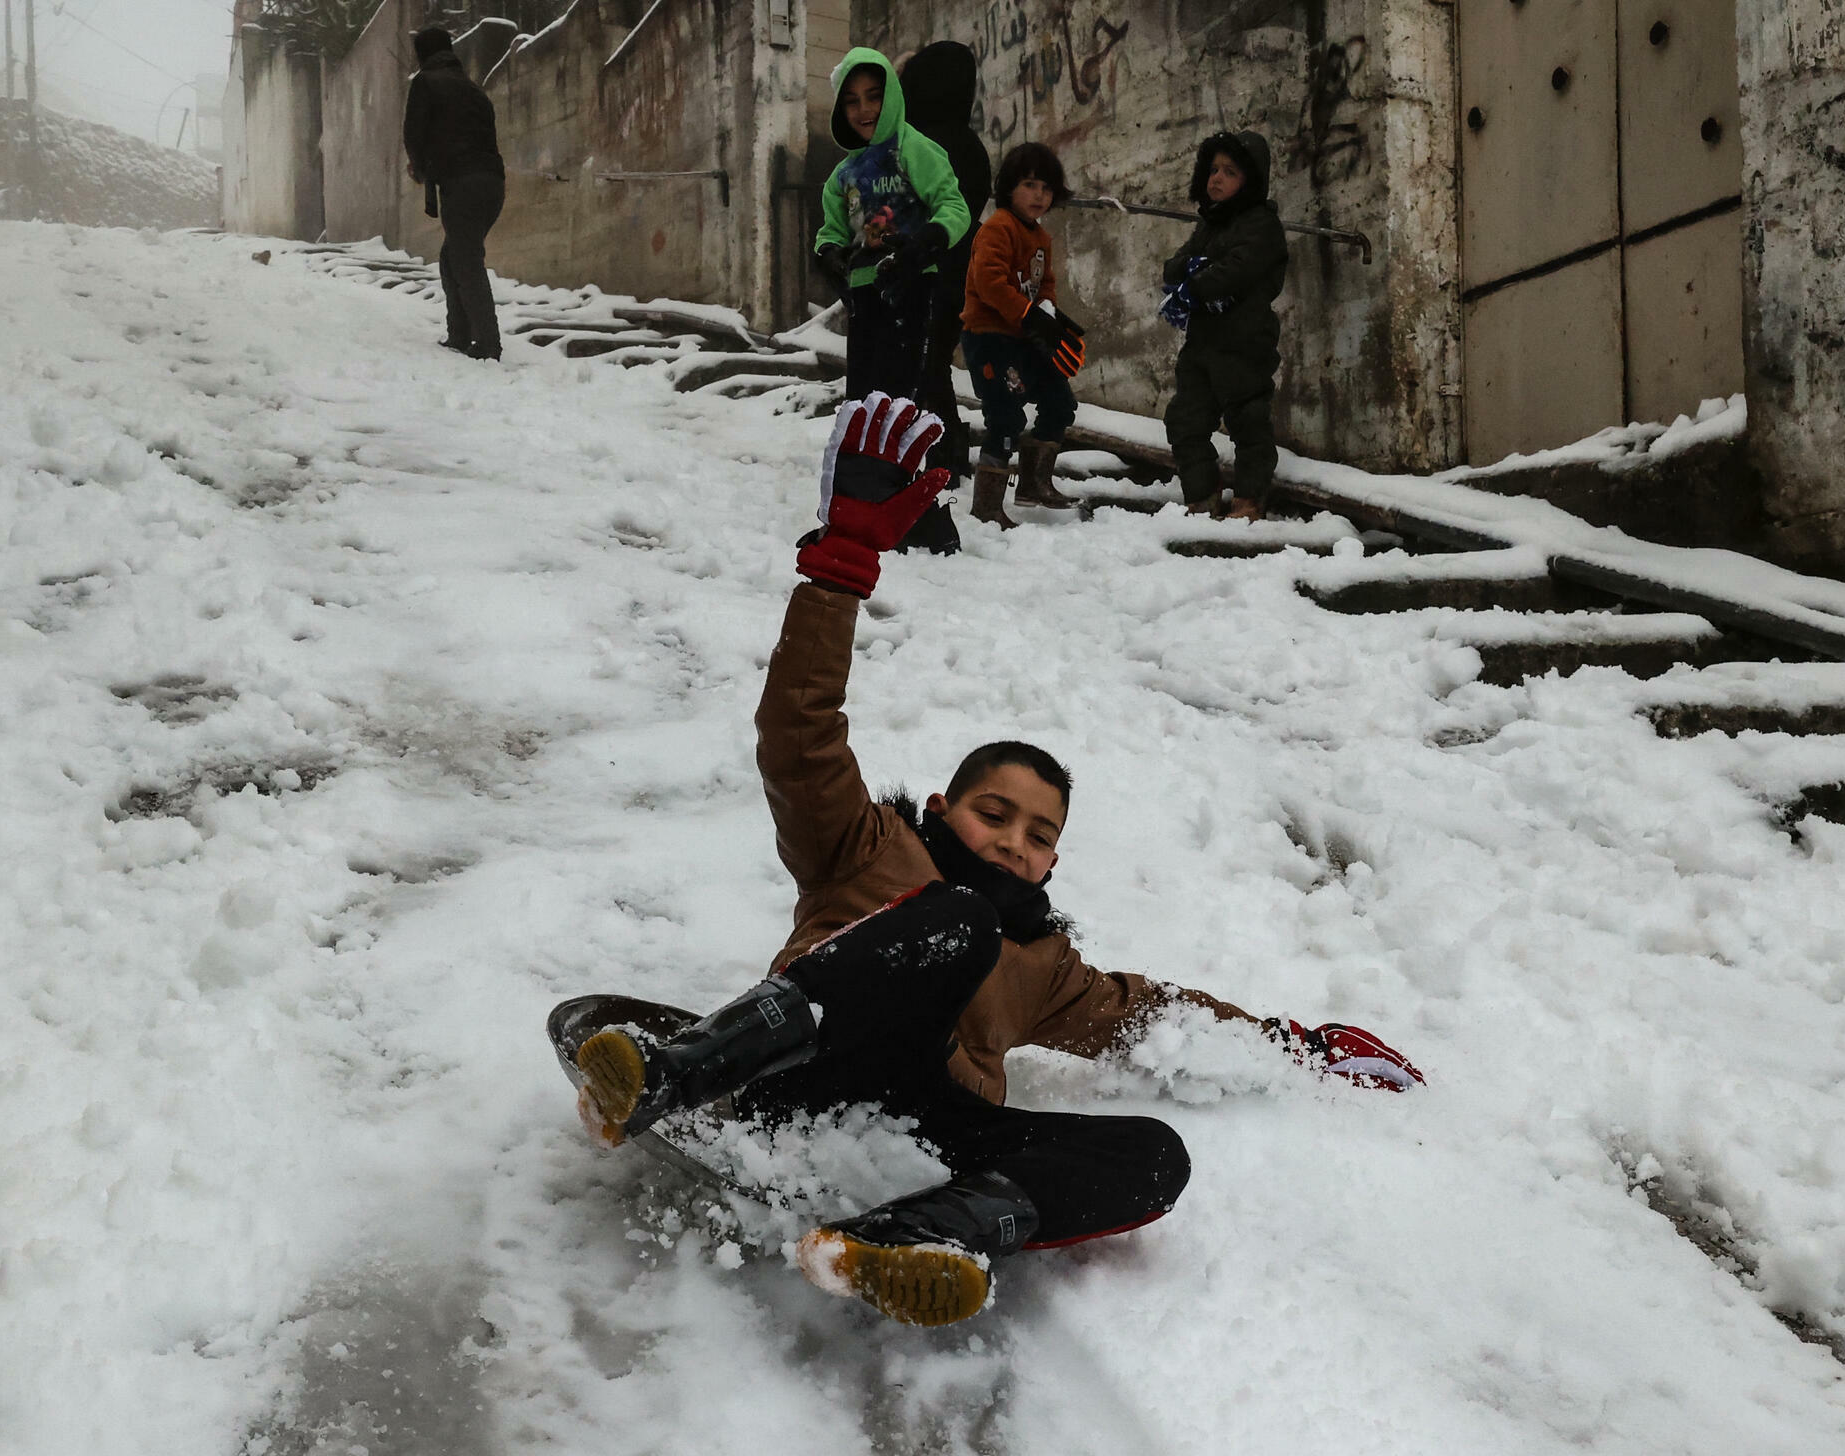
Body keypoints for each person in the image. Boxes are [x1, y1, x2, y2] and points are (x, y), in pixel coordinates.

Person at [571, 393, 1423, 1328]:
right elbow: (797, 735)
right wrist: (840, 569)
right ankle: (677, 1071)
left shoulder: (1044, 967)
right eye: (995, 813)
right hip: (801, 1079)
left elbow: (1153, 1018)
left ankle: (922, 1233)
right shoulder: (860, 845)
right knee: (956, 921)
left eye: (1041, 832)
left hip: (922, 1129)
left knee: (1154, 1153)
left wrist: (1292, 1048)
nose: (1017, 840)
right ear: (942, 807)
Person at [812, 50, 973, 430]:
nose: (864, 109)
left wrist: (926, 242)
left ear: (893, 97)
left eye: (874, 95)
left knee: (904, 398)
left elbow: (954, 207)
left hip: (914, 285)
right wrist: (829, 254)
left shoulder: (913, 148)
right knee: (863, 398)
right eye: (851, 101)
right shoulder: (842, 175)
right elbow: (832, 230)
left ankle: (898, 479)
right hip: (865, 295)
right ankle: (862, 481)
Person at [890, 42, 994, 556]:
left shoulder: (916, 140)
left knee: (920, 368)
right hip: (958, 270)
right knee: (932, 368)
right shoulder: (970, 145)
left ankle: (931, 460)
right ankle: (946, 453)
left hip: (922, 270)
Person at [1159, 130, 1288, 520]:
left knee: (1248, 420)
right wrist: (1188, 272)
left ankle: (1249, 498)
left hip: (1245, 342)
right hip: (1202, 343)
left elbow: (1238, 269)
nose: (1216, 178)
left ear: (1249, 180)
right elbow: (1174, 267)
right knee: (1185, 420)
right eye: (1213, 170)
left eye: (1229, 172)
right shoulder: (1209, 225)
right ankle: (1202, 495)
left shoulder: (1261, 224)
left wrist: (1197, 280)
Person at [960, 142, 1081, 529]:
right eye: (1030, 184)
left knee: (1060, 402)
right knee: (1006, 417)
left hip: (1026, 337)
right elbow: (989, 282)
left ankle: (1034, 483)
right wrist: (1028, 314)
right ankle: (987, 507)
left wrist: (1049, 319)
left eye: (1046, 188)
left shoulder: (1041, 238)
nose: (1039, 195)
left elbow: (1045, 284)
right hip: (990, 338)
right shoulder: (998, 228)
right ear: (1009, 187)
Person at [402, 25, 506, 361]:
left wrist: (419, 169)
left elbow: (413, 134)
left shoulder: (426, 83)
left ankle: (488, 344)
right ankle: (460, 334)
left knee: (466, 261)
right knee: (453, 257)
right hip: (492, 185)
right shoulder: (474, 90)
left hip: (462, 183)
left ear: (423, 54)